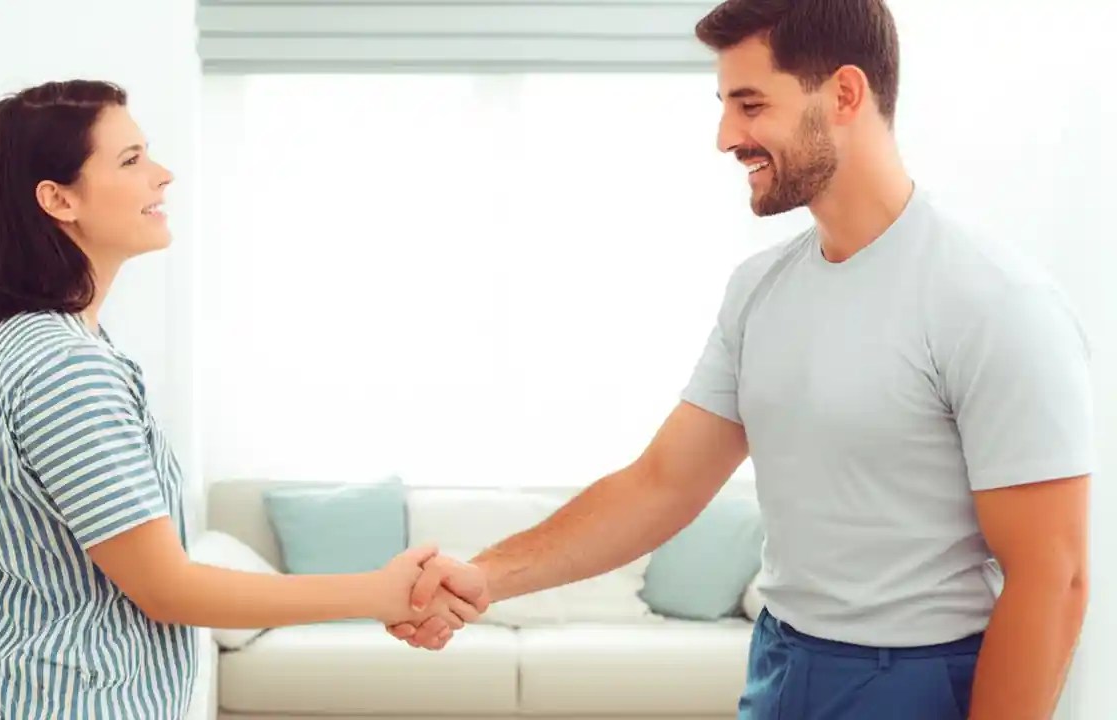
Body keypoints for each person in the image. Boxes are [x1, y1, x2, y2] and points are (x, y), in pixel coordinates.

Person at [390, 1, 1093, 718]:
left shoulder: (993, 299)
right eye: (726, 106)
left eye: (751, 105)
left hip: (914, 682)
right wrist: (485, 576)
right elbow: (661, 485)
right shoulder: (760, 291)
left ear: (845, 94)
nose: (728, 137)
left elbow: (1053, 576)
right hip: (781, 664)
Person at [0, 80, 477, 719]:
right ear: (59, 199)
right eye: (131, 160)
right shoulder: (66, 367)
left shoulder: (16, 342)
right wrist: (380, 593)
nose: (162, 176)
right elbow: (167, 589)